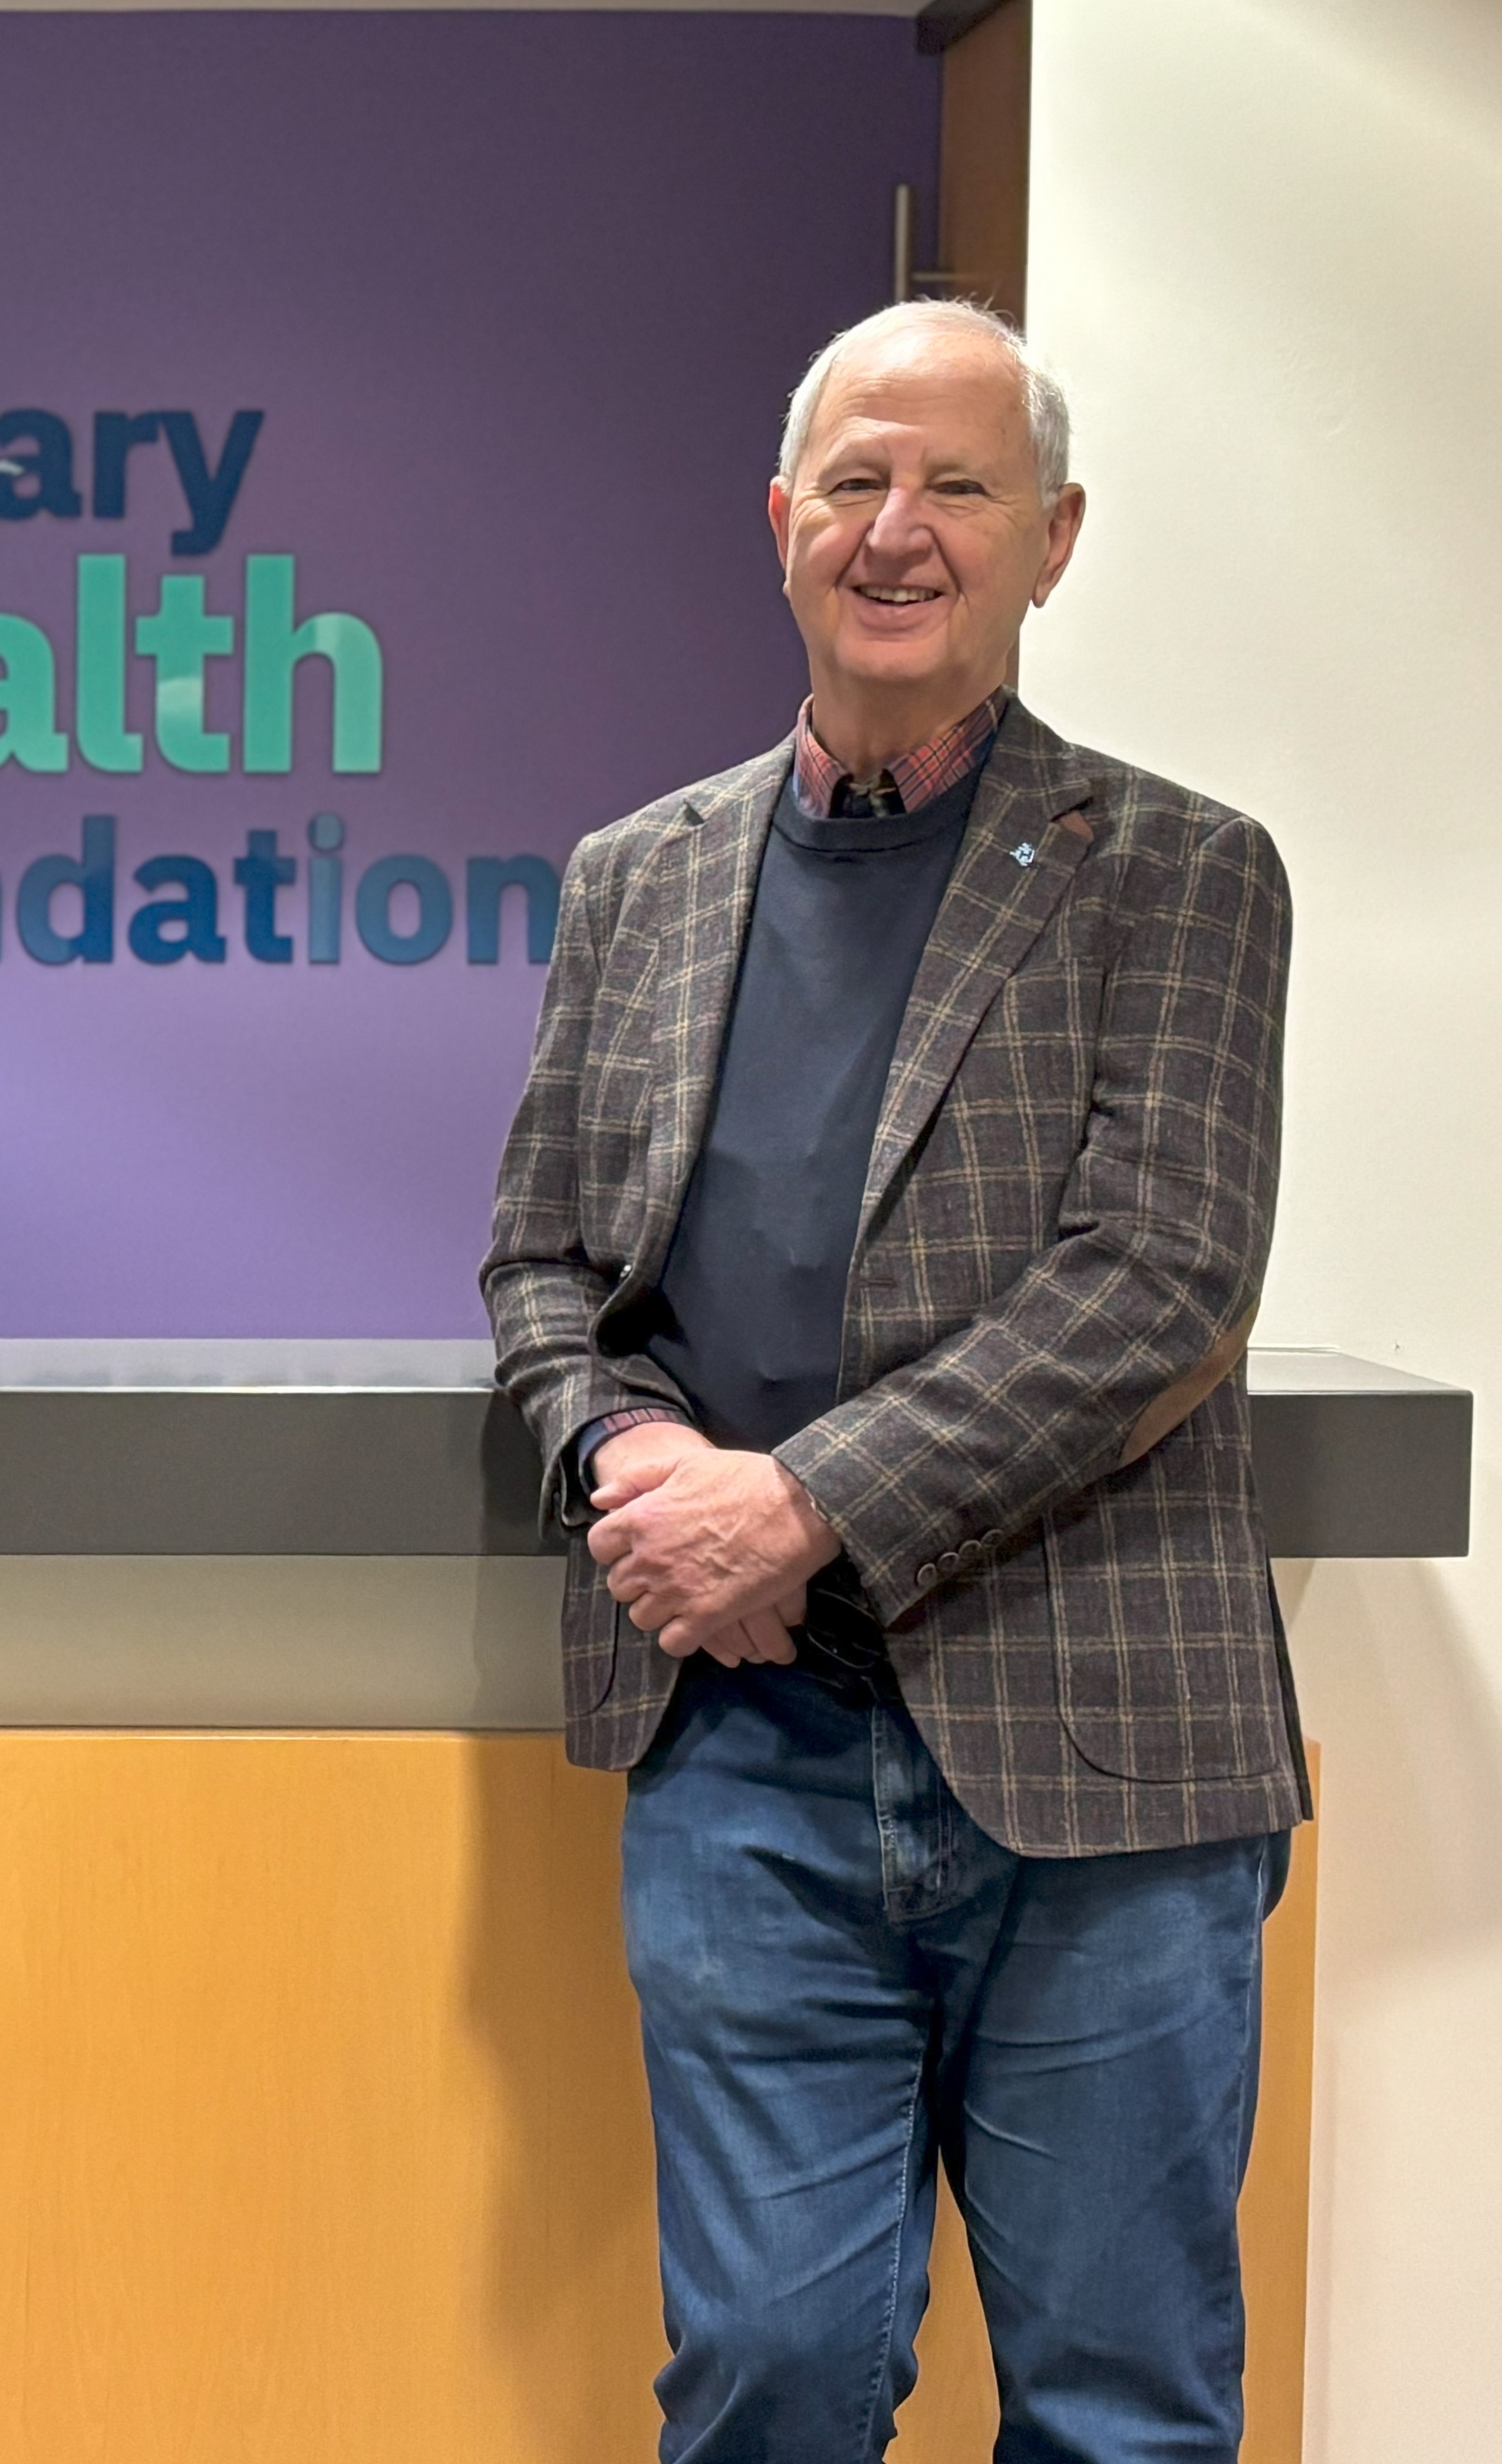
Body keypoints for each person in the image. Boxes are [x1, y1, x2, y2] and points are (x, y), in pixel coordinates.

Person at [483, 297, 1303, 2461]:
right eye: (856, 478)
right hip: (745, 1750)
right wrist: (631, 1448)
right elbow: (544, 1261)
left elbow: (1161, 1281)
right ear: (780, 522)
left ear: (1055, 539)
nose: (899, 528)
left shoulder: (1185, 874)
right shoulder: (639, 879)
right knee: (763, 2381)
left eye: (959, 484)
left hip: (1101, 1765)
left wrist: (806, 1496)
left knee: (1121, 2411)